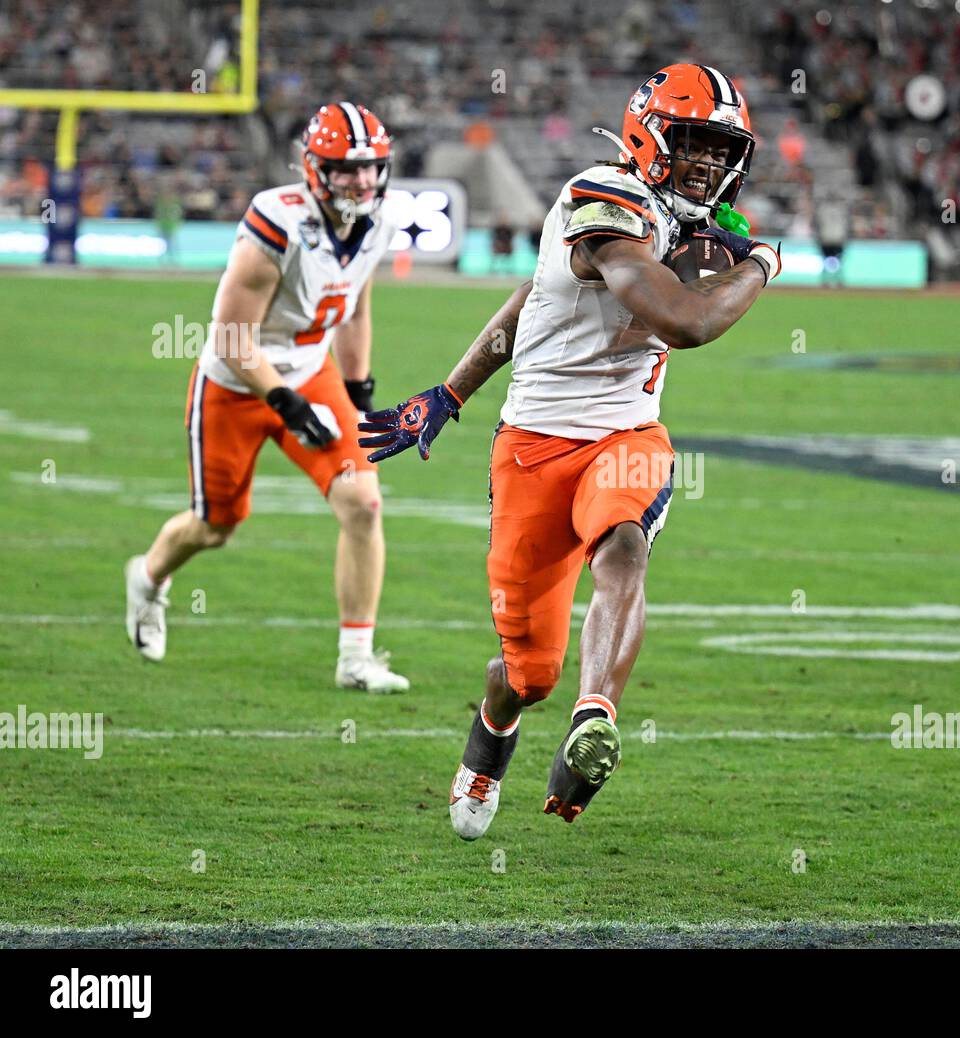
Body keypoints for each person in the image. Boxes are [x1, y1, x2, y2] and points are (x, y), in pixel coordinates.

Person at [360, 65, 782, 836]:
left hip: (627, 433)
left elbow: (549, 298)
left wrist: (449, 393)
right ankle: (492, 739)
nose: (711, 165)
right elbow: (677, 321)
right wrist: (761, 266)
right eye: (694, 143)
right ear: (647, 134)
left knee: (624, 545)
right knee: (526, 673)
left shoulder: (690, 221)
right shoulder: (603, 196)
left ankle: (598, 717)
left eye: (724, 150)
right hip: (532, 450)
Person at [124, 102, 410, 693]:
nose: (362, 180)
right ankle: (149, 578)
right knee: (216, 525)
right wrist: (284, 401)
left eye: (371, 167)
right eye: (346, 168)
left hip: (311, 372)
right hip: (236, 383)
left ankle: (355, 656)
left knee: (364, 503)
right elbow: (232, 338)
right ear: (315, 168)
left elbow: (355, 307)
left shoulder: (378, 221)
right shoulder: (276, 221)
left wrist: (357, 389)